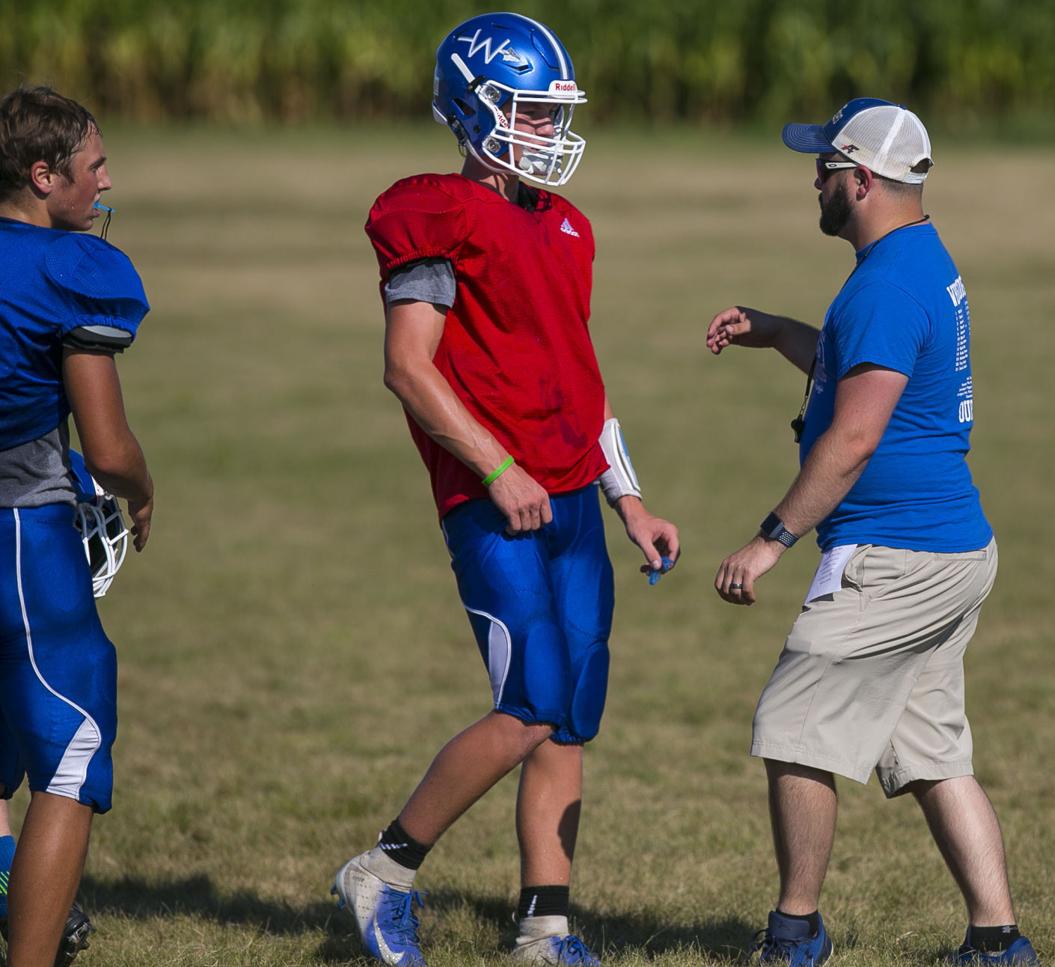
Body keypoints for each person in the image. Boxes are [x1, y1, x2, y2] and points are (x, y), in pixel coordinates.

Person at [332, 13, 680, 967]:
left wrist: (628, 498)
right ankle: (385, 869)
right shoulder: (435, 212)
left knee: (568, 713)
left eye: (551, 112)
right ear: (472, 109)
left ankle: (545, 926)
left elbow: (580, 381)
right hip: (495, 500)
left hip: (571, 498)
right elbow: (408, 366)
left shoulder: (567, 226)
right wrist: (494, 467)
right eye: (527, 111)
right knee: (527, 702)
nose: (545, 130)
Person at [705, 98, 1038, 967]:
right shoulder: (913, 258)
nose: (812, 181)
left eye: (823, 167)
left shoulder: (887, 285)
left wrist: (771, 539)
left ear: (859, 180)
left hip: (898, 556)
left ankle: (795, 934)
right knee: (932, 753)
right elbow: (861, 367)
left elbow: (854, 436)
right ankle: (998, 941)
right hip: (952, 547)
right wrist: (778, 331)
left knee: (792, 725)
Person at [0, 85, 154, 967]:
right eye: (93, 165)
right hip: (19, 525)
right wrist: (142, 489)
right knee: (71, 747)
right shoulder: (72, 270)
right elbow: (108, 445)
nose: (106, 180)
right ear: (42, 174)